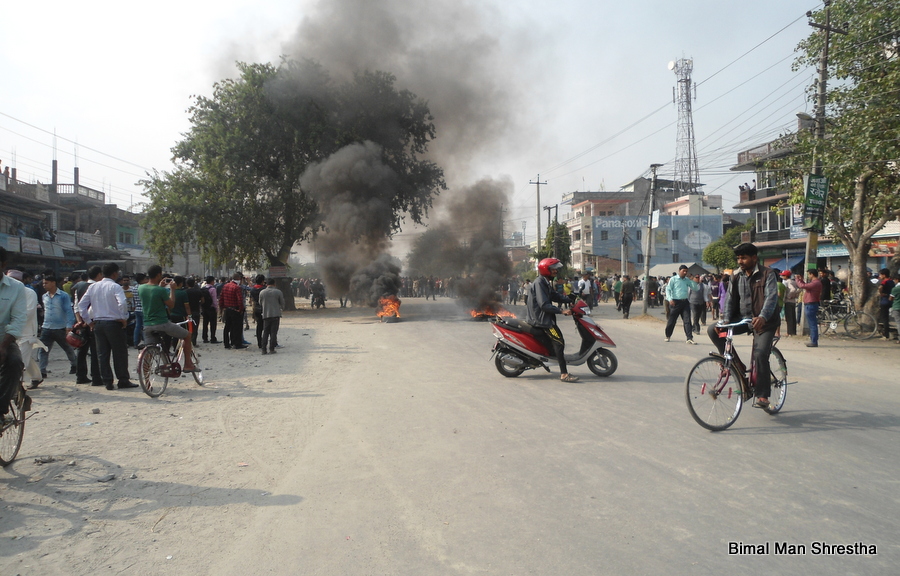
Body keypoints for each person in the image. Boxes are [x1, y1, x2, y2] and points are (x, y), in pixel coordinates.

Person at [706, 242, 781, 409]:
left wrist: (762, 316)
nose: (740, 261)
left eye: (744, 258)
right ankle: (735, 365)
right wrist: (725, 320)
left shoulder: (767, 274)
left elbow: (771, 299)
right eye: (738, 258)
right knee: (713, 330)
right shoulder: (736, 276)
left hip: (765, 322)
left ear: (754, 258)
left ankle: (762, 395)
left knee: (760, 354)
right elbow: (730, 299)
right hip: (743, 319)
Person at [78, 263, 137, 390]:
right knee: (119, 353)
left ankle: (108, 381)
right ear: (115, 273)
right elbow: (122, 303)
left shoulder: (93, 287)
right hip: (113, 323)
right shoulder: (115, 287)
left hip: (98, 323)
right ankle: (122, 380)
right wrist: (124, 318)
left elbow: (81, 305)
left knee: (102, 354)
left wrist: (88, 321)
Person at [525, 258, 578, 383]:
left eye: (556, 268)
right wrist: (561, 311)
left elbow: (554, 295)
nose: (556, 271)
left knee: (555, 343)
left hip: (544, 318)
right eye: (553, 268)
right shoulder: (539, 283)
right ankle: (564, 374)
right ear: (546, 269)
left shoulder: (545, 282)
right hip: (542, 320)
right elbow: (544, 304)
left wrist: (569, 299)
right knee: (559, 341)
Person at [139, 265, 198, 371]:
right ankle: (188, 364)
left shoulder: (141, 288)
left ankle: (146, 379)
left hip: (147, 324)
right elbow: (171, 305)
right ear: (158, 275)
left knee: (149, 350)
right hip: (162, 323)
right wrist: (172, 290)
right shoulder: (160, 290)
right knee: (187, 336)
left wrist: (160, 287)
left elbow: (152, 297)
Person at [0, 248, 27, 419]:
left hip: (4, 339)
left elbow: (18, 320)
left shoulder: (16, 287)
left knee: (15, 362)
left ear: (3, 265)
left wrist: (3, 346)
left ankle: (0, 410)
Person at [37, 274, 78, 386]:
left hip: (60, 327)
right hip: (46, 327)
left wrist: (69, 325)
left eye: (46, 283)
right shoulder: (44, 296)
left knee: (67, 348)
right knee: (43, 349)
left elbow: (68, 311)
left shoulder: (63, 296)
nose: (44, 285)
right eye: (44, 283)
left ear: (53, 283)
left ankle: (75, 365)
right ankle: (42, 370)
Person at [664, 265, 700, 344]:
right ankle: (668, 335)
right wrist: (670, 299)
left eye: (686, 271)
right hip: (675, 302)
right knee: (672, 320)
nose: (685, 273)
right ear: (679, 270)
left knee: (687, 320)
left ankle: (689, 338)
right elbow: (668, 289)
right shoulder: (673, 279)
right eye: (683, 271)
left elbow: (696, 288)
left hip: (685, 302)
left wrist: (693, 281)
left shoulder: (687, 280)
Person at [795, 268, 823, 348]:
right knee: (812, 323)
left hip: (811, 304)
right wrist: (801, 280)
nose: (808, 276)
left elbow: (802, 286)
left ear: (812, 274)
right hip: (810, 304)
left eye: (808, 274)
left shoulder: (816, 283)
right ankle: (813, 340)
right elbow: (805, 286)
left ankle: (814, 341)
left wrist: (797, 280)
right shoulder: (815, 283)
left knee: (812, 324)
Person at [219, 272, 247, 349]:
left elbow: (221, 298)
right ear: (239, 279)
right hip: (236, 309)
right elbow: (240, 300)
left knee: (227, 327)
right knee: (237, 328)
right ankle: (237, 343)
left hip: (227, 309)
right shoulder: (237, 287)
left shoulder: (225, 286)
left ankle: (226, 343)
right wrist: (241, 309)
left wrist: (221, 308)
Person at [259, 278, 284, 355]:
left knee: (265, 332)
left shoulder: (262, 292)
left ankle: (263, 350)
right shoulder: (278, 292)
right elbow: (282, 303)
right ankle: (272, 349)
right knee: (273, 333)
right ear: (274, 284)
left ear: (266, 284)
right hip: (275, 314)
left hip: (266, 315)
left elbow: (260, 302)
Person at [877, 268, 895, 340]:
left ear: (884, 275)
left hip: (884, 301)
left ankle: (886, 335)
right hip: (891, 300)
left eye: (880, 275)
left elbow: (880, 287)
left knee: (884, 318)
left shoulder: (885, 281)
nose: (880, 276)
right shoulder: (892, 281)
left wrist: (881, 293)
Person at [201, 276, 219, 344]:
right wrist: (216, 308)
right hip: (211, 308)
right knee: (213, 324)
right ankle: (213, 338)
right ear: (212, 281)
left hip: (204, 308)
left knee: (205, 323)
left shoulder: (203, 288)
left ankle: (205, 338)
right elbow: (214, 300)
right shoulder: (213, 289)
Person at [782, 270, 800, 337]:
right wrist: (796, 295)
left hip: (788, 301)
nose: (782, 276)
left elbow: (793, 289)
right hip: (793, 301)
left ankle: (789, 332)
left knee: (789, 318)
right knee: (793, 317)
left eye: (783, 275)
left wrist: (789, 296)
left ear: (786, 276)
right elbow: (799, 289)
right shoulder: (793, 281)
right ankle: (793, 332)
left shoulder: (787, 282)